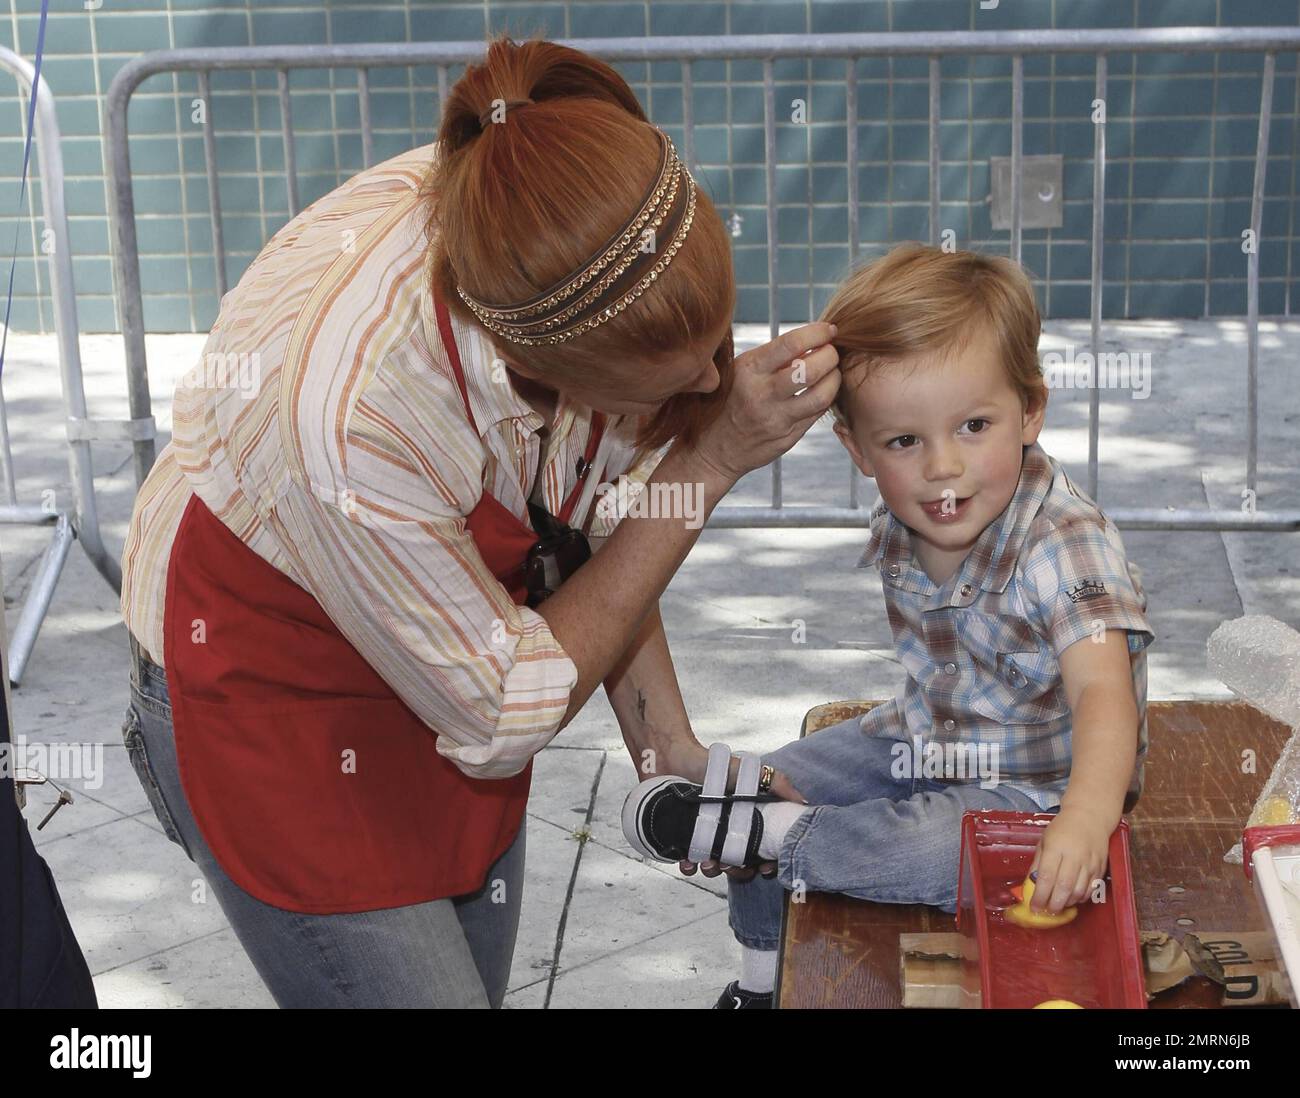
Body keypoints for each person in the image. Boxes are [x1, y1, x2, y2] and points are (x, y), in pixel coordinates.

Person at [118, 34, 838, 1008]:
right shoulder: (356, 414)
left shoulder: (546, 229)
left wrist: (666, 748)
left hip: (449, 649)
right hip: (270, 688)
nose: (717, 384)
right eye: (677, 383)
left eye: (714, 350)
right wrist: (707, 466)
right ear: (549, 368)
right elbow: (501, 714)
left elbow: (599, 513)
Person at [624, 243, 1155, 1008]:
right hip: (920, 737)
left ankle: (774, 837)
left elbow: (1107, 699)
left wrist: (1084, 822)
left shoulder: (1063, 543)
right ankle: (762, 977)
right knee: (776, 772)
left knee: (938, 847)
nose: (943, 466)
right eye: (904, 441)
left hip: (1041, 790)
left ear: (1031, 409)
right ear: (858, 449)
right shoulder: (914, 516)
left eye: (974, 425)